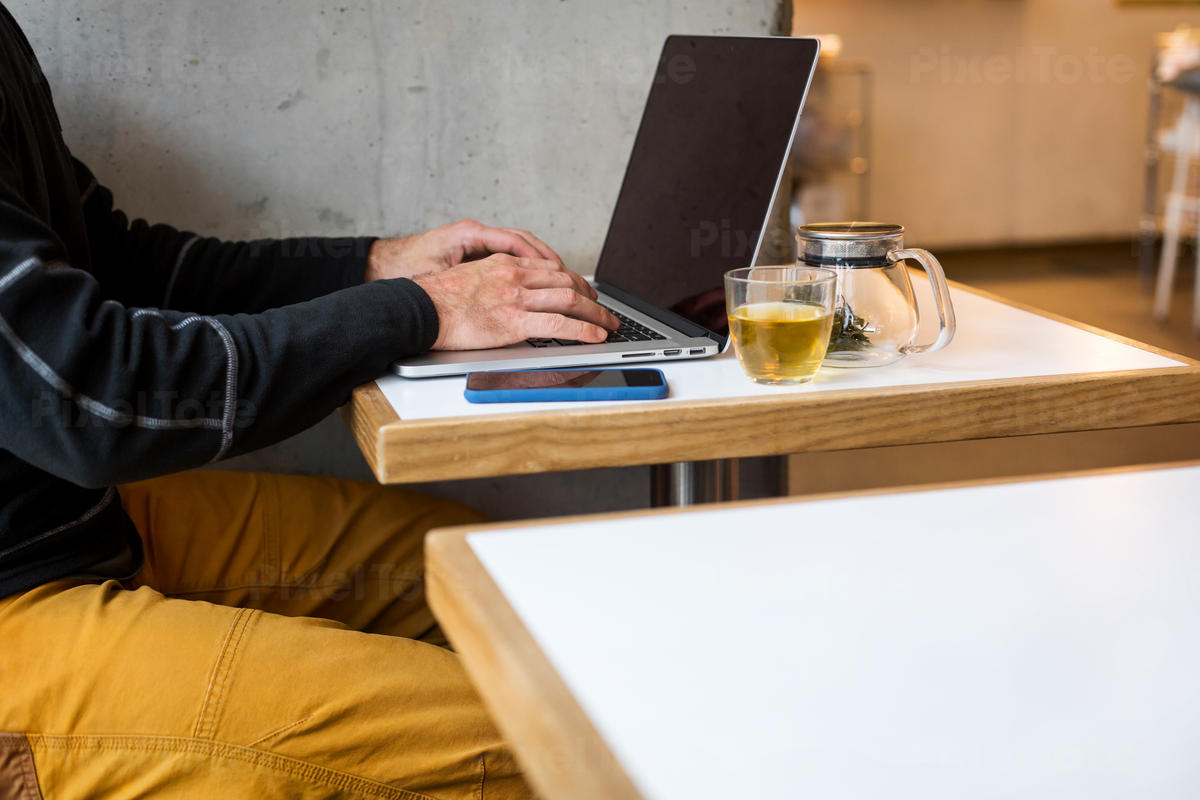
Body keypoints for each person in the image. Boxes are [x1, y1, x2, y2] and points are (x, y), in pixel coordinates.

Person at [0, 4, 618, 798]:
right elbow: (90, 398)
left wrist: (375, 266)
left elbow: (114, 264)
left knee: (501, 580)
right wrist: (419, 310)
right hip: (21, 606)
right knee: (547, 743)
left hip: (78, 520)